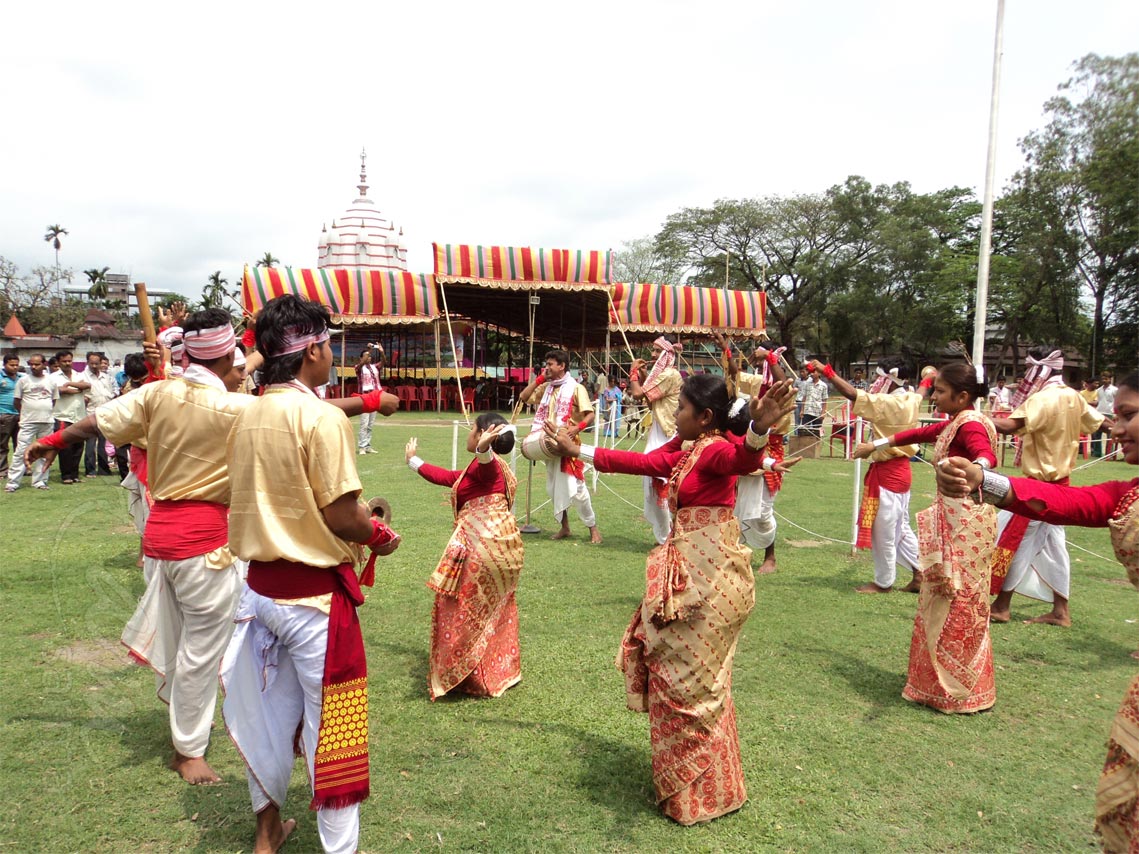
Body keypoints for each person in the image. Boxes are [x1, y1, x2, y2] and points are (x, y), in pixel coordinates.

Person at [546, 373, 794, 824]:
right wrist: (574, 449)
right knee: (673, 673)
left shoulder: (716, 449)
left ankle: (701, 789)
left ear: (705, 417)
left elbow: (743, 456)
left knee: (693, 683)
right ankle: (688, 785)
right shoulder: (684, 449)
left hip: (711, 580)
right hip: (684, 578)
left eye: (681, 408)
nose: (673, 414)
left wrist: (758, 431)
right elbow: (636, 462)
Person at [27, 310, 250, 785]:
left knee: (180, 636)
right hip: (203, 544)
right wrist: (371, 399)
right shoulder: (236, 408)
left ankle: (189, 724)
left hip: (160, 539)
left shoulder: (155, 392)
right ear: (229, 355)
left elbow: (95, 424)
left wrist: (52, 439)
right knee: (201, 650)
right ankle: (188, 750)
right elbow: (308, 417)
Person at [219, 294, 400, 854]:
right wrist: (381, 534)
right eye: (329, 345)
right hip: (313, 602)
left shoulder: (246, 412)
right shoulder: (319, 416)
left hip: (258, 594)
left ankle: (266, 835)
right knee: (336, 730)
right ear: (313, 350)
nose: (333, 356)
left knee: (270, 720)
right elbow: (342, 516)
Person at [935, 370, 1137, 850]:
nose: (1115, 427)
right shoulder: (1128, 495)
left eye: (1128, 416)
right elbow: (1069, 502)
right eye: (1117, 414)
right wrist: (987, 479)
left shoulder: (1046, 400)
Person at [854, 363, 998, 713]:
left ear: (962, 396)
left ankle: (953, 689)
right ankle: (941, 683)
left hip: (963, 525)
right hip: (954, 521)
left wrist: (978, 469)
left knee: (954, 598)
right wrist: (877, 443)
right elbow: (916, 435)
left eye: (941, 391)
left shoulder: (972, 424)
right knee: (945, 597)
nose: (933, 396)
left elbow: (985, 454)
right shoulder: (958, 421)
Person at [405, 413, 524, 700]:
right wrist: (413, 460)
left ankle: (467, 676)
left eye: (473, 429)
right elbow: (449, 478)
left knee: (461, 609)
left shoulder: (490, 466)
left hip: (480, 551)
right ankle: (496, 670)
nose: (470, 434)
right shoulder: (483, 471)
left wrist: (484, 449)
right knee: (494, 612)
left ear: (484, 433)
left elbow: (486, 459)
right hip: (502, 550)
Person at [988, 347, 1105, 626]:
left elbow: (1007, 426)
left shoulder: (1041, 399)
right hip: (1061, 486)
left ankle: (1002, 606)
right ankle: (1060, 611)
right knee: (1055, 547)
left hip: (1038, 488)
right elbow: (1096, 423)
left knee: (1014, 541)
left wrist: (970, 419)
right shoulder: (1074, 396)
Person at [815, 358, 928, 593]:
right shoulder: (911, 398)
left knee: (884, 531)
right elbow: (923, 389)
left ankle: (884, 583)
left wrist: (827, 372)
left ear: (891, 378)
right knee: (902, 528)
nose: (877, 382)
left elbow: (853, 394)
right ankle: (921, 573)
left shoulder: (889, 402)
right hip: (901, 472)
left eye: (880, 377)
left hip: (888, 475)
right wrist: (929, 377)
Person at [518, 349, 602, 543]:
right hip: (549, 442)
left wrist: (576, 429)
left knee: (578, 489)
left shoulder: (576, 388)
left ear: (562, 366)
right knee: (554, 487)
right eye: (546, 364)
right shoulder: (547, 387)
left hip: (569, 445)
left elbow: (590, 414)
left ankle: (593, 529)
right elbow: (523, 397)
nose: (547, 367)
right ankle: (565, 527)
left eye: (550, 364)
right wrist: (540, 379)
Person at [733, 341, 800, 574]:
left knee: (763, 510)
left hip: (771, 450)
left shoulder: (784, 391)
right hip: (747, 445)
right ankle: (736, 551)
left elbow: (782, 383)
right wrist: (725, 351)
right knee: (736, 503)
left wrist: (771, 358)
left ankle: (770, 557)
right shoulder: (755, 382)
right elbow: (734, 375)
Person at [628, 336, 683, 545]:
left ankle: (668, 536)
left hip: (668, 435)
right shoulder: (666, 374)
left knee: (660, 482)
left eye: (656, 351)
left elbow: (637, 394)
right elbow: (649, 397)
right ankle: (665, 535)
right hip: (661, 432)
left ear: (665, 353)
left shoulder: (669, 374)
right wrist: (643, 375)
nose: (651, 355)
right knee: (654, 481)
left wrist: (634, 371)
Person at [5, 355, 58, 492]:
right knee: (21, 451)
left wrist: (43, 410)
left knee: (44, 452)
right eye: (31, 364)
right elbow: (17, 401)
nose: (33, 367)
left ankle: (40, 481)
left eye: (37, 364)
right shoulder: (23, 381)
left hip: (46, 421)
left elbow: (53, 400)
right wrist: (26, 414)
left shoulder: (51, 381)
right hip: (28, 422)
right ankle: (13, 482)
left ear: (44, 364)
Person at [49, 351, 87, 485]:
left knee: (78, 446)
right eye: (64, 361)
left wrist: (69, 387)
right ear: (58, 362)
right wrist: (74, 388)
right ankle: (66, 475)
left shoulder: (78, 374)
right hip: (62, 416)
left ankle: (75, 474)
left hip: (79, 416)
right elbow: (58, 390)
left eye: (69, 361)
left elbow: (87, 386)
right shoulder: (53, 377)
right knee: (65, 447)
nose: (67, 363)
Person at [78, 351, 114, 477]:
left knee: (103, 443)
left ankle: (104, 469)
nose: (94, 366)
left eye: (97, 363)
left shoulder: (106, 377)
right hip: (90, 413)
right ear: (87, 362)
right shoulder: (82, 377)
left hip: (105, 414)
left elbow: (110, 393)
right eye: (92, 363)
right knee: (91, 443)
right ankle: (90, 470)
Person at [355, 346, 382, 454]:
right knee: (364, 424)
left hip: (374, 396)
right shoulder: (358, 367)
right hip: (364, 397)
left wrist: (381, 352)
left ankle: (367, 446)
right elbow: (363, 362)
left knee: (370, 424)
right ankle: (362, 447)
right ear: (361, 358)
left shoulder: (374, 367)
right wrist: (369, 350)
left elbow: (383, 361)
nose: (369, 358)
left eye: (370, 356)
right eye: (366, 356)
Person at [0, 352, 21, 481]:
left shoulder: (21, 378)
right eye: (11, 365)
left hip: (20, 414)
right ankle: (2, 470)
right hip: (4, 414)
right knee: (2, 445)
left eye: (16, 365)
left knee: (20, 444)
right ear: (5, 364)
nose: (14, 367)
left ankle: (21, 469)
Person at [799, 367, 828, 438]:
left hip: (817, 412)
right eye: (811, 372)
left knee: (817, 433)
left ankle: (817, 447)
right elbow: (804, 397)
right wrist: (802, 410)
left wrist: (823, 413)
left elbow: (824, 400)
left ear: (819, 373)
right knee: (804, 431)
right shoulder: (807, 384)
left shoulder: (823, 385)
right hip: (807, 411)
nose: (812, 374)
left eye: (814, 372)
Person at [1096, 373, 1119, 458]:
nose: (1104, 380)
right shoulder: (1099, 390)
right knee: (1097, 434)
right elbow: (1099, 401)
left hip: (1110, 414)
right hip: (1099, 413)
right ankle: (1097, 453)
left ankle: (1109, 453)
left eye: (1106, 379)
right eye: (1103, 379)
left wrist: (1116, 413)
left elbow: (1117, 401)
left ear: (1110, 379)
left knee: (1110, 434)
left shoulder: (1115, 390)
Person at [793, 366, 810, 432]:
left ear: (807, 372)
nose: (802, 373)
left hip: (807, 403)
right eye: (800, 372)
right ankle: (796, 434)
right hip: (798, 402)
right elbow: (794, 388)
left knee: (806, 421)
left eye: (803, 372)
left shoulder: (810, 380)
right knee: (797, 420)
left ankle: (805, 434)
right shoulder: (797, 380)